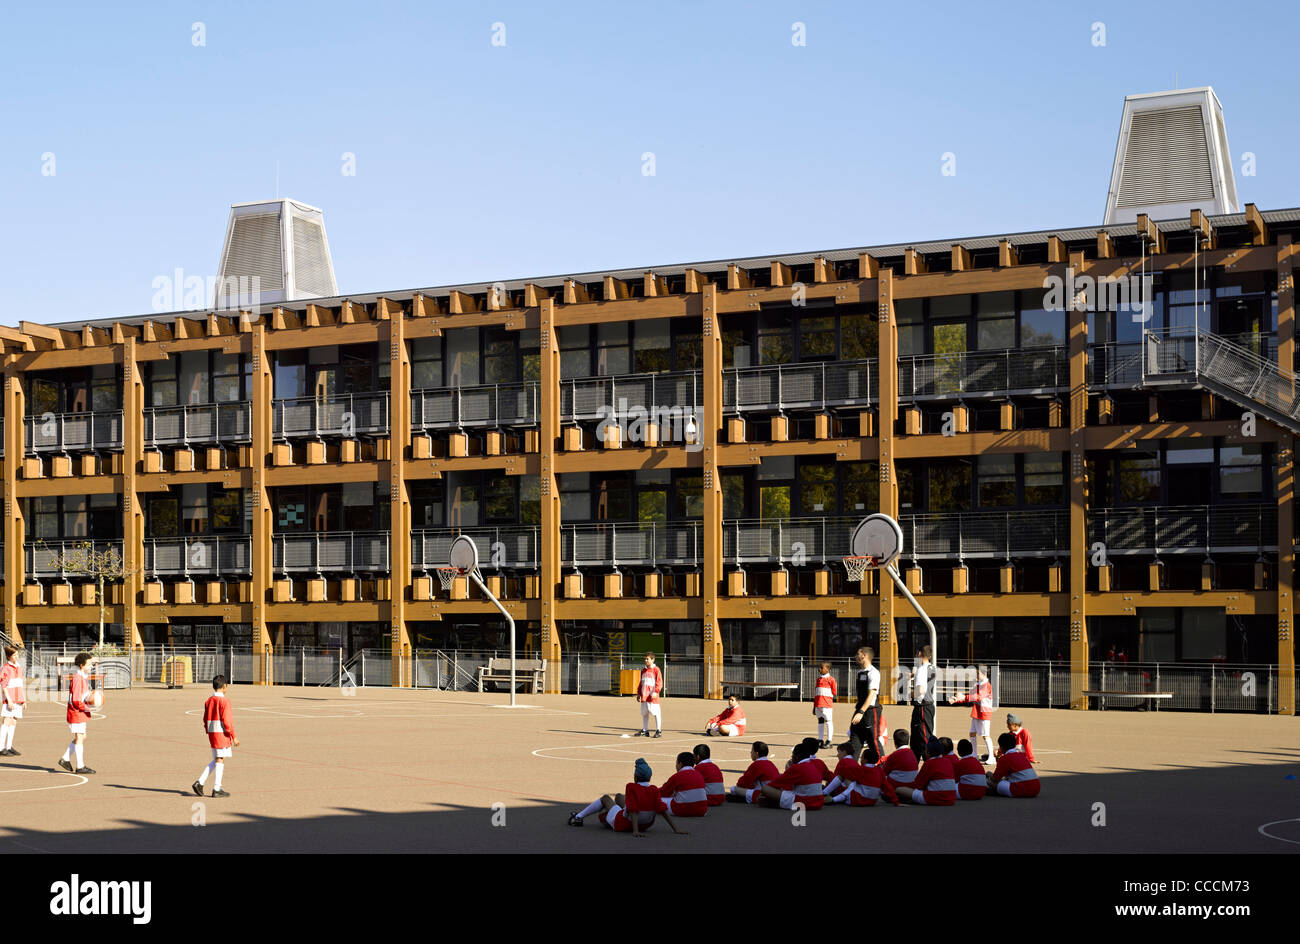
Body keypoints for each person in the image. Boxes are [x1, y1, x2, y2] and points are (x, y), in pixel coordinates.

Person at [568, 758, 689, 836]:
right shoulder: (653, 789)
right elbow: (662, 809)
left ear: (635, 777)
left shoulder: (631, 787)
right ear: (650, 777)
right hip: (646, 825)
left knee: (605, 798)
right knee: (620, 797)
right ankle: (592, 816)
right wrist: (675, 829)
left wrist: (635, 830)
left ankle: (578, 817)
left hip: (623, 823)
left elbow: (633, 808)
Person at [193, 675, 239, 798]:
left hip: (212, 732)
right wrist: (233, 736)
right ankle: (216, 788)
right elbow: (227, 721)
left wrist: (207, 730)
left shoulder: (209, 700)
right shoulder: (224, 701)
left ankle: (200, 782)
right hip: (221, 734)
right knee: (220, 759)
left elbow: (204, 718)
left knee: (218, 758)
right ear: (224, 687)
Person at [57, 652, 95, 775]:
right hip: (76, 712)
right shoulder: (78, 679)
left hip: (79, 711)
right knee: (80, 737)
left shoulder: (82, 678)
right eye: (89, 664)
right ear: (81, 665)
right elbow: (76, 700)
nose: (91, 666)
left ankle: (65, 758)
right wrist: (87, 708)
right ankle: (80, 766)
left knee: (82, 737)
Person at [758, 743, 826, 811]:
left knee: (765, 790)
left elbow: (775, 784)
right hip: (819, 802)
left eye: (793, 754)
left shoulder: (797, 768)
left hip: (804, 802)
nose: (791, 756)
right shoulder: (817, 763)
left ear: (797, 756)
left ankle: (778, 803)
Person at [949, 664, 995, 762]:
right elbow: (970, 697)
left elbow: (977, 697)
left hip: (984, 712)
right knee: (972, 733)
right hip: (977, 711)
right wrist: (957, 699)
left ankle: (991, 757)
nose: (976, 675)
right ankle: (974, 754)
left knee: (985, 735)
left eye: (978, 673)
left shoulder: (986, 685)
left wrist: (962, 697)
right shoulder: (978, 684)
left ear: (985, 674)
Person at [895, 738, 956, 806]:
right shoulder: (947, 761)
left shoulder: (929, 763)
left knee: (899, 789)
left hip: (935, 798)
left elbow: (918, 785)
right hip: (951, 799)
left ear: (928, 752)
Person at [847, 647, 882, 758]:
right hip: (860, 709)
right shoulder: (860, 672)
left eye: (858, 654)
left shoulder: (874, 673)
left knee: (873, 741)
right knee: (855, 740)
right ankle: (851, 768)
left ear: (865, 656)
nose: (856, 657)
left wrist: (861, 712)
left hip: (870, 711)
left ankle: (882, 767)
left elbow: (872, 695)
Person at [987, 732, 1041, 798]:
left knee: (991, 783)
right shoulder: (1021, 755)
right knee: (1004, 781)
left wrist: (988, 773)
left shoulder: (1005, 758)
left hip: (1022, 789)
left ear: (1001, 747)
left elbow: (995, 779)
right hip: (1036, 789)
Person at [660, 752, 709, 817]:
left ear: (680, 764)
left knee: (657, 800)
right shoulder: (699, 775)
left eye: (676, 763)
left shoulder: (677, 776)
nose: (676, 766)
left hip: (682, 809)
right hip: (702, 810)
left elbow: (663, 792)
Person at [909, 645, 936, 758]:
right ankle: (914, 765)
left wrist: (910, 694)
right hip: (927, 706)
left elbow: (920, 690)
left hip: (922, 707)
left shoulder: (921, 669)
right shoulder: (932, 668)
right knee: (916, 741)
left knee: (924, 740)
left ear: (919, 653)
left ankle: (930, 766)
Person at [0, 646, 26, 757]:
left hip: (18, 698)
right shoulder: (5, 668)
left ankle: (9, 746)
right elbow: (4, 686)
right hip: (9, 700)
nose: (17, 656)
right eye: (14, 655)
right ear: (9, 657)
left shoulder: (19, 668)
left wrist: (24, 699)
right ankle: (1, 748)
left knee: (14, 721)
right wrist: (9, 700)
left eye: (17, 654)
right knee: (6, 721)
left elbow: (21, 684)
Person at [635, 652, 663, 738]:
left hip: (652, 695)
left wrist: (656, 691)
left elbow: (659, 682)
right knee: (644, 713)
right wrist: (639, 693)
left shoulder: (656, 670)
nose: (646, 660)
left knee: (655, 712)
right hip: (644, 695)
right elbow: (641, 683)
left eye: (648, 659)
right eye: (645, 658)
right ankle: (645, 730)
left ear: (652, 660)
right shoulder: (643, 670)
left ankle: (659, 730)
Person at [812, 662, 837, 748]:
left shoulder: (831, 679)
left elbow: (834, 692)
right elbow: (816, 693)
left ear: (827, 669)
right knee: (820, 721)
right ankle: (820, 739)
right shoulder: (818, 679)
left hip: (826, 704)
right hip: (818, 704)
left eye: (821, 667)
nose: (819, 669)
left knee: (829, 721)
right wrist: (814, 706)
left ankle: (829, 740)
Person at [693, 743, 726, 807]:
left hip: (709, 799)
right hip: (721, 798)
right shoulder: (715, 766)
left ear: (698, 756)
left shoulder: (699, 768)